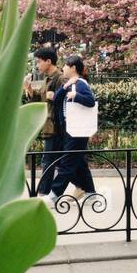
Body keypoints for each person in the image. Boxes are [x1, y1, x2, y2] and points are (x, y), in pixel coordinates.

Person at [37, 55, 98, 208]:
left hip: (77, 130)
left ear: (73, 68)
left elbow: (91, 101)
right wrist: (65, 88)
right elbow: (56, 100)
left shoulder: (81, 84)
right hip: (70, 129)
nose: (62, 68)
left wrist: (76, 95)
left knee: (67, 163)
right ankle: (91, 194)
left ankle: (54, 195)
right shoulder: (70, 83)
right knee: (79, 164)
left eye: (65, 66)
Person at [24, 47, 65, 197]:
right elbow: (39, 101)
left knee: (48, 160)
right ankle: (85, 187)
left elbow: (64, 102)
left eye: (39, 62)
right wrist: (28, 89)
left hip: (55, 127)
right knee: (62, 161)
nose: (37, 65)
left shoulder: (60, 78)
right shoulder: (46, 79)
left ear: (49, 61)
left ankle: (43, 192)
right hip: (48, 126)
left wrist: (54, 97)